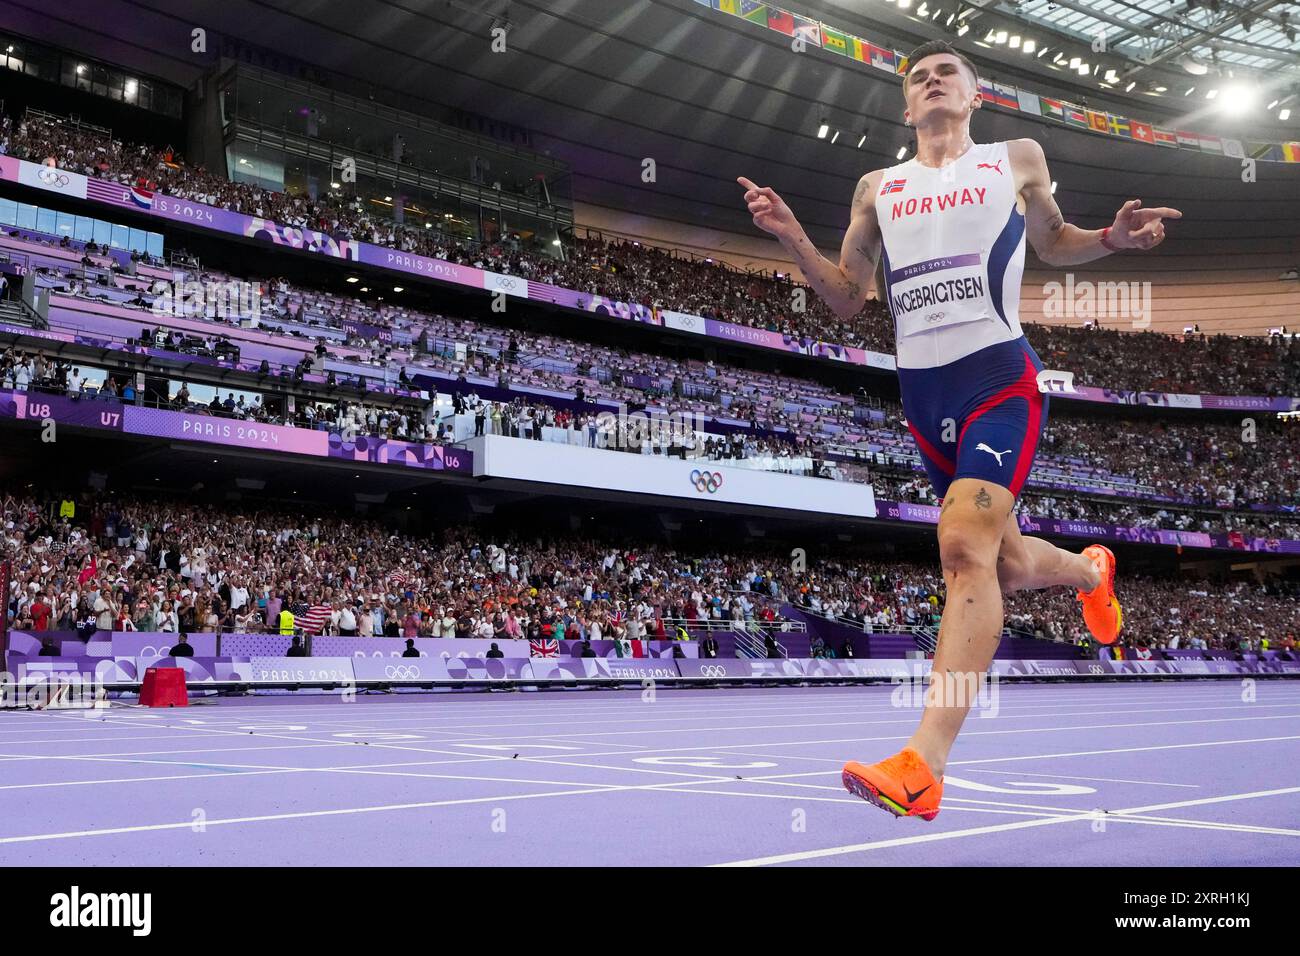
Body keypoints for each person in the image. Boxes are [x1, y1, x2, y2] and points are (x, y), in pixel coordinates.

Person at [739, 40, 1177, 822]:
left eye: (948, 73)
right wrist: (792, 238)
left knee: (963, 550)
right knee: (1002, 565)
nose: (932, 81)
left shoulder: (1015, 157)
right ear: (907, 107)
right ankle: (1088, 573)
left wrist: (1110, 240)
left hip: (996, 379)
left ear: (974, 96)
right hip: (921, 395)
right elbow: (847, 299)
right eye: (918, 77)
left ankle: (923, 763)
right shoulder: (878, 186)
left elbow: (1050, 242)